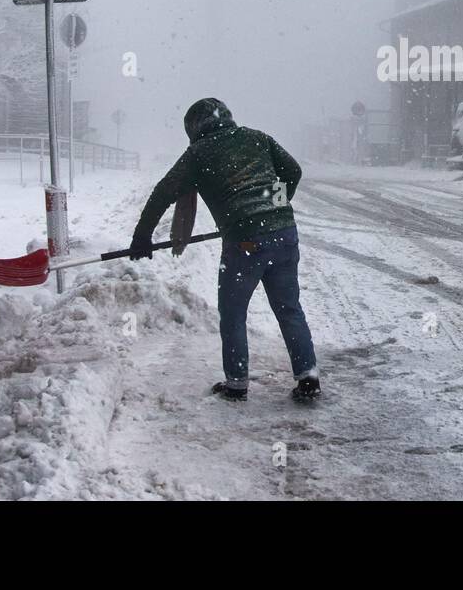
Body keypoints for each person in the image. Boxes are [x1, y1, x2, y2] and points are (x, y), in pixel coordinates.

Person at [129, 97, 320, 403]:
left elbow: (164, 192)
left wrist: (142, 236)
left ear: (193, 128)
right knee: (289, 308)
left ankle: (236, 384)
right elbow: (293, 171)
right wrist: (272, 204)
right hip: (284, 235)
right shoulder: (257, 137)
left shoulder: (197, 153)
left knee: (233, 313)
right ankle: (308, 377)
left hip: (245, 243)